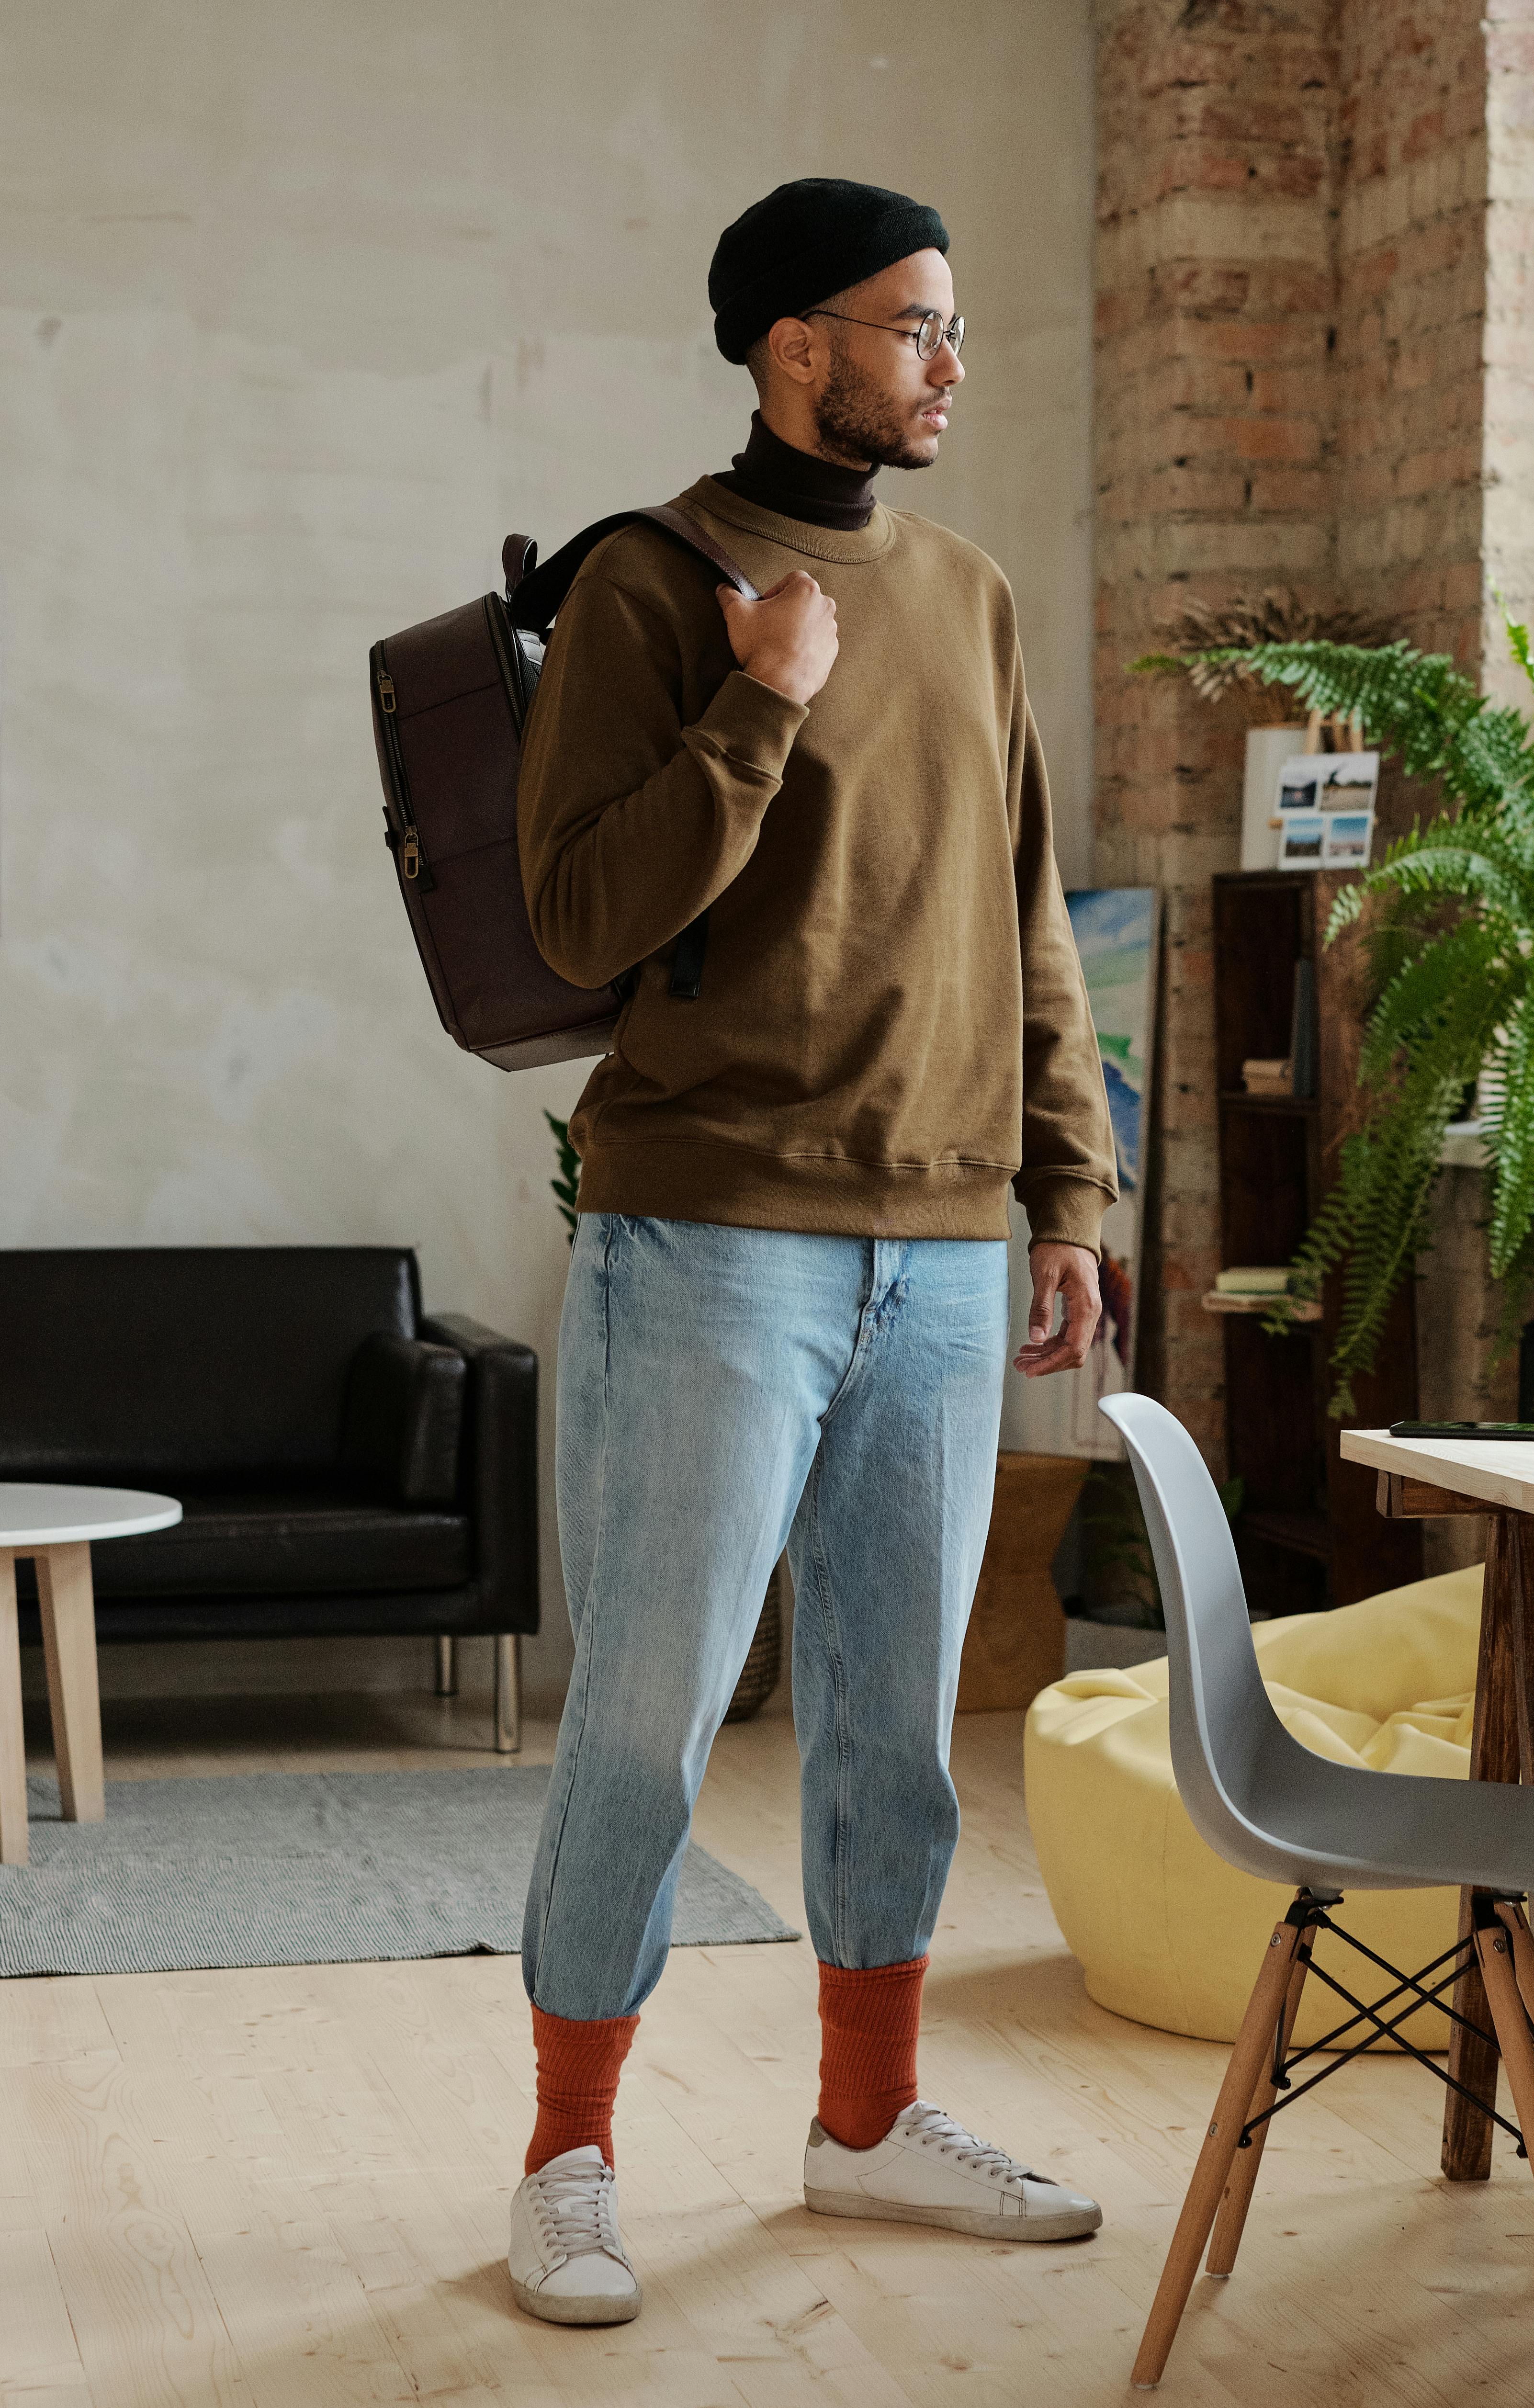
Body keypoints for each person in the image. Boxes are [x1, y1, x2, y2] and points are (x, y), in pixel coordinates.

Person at [500, 176, 1118, 2328]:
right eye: (916, 326)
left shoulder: (970, 591)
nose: (951, 361)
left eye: (955, 328)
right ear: (796, 347)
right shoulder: (653, 590)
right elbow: (583, 916)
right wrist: (758, 704)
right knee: (653, 1726)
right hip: (713, 1239)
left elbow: (1031, 909)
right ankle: (571, 2155)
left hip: (946, 1252)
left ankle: (868, 2126)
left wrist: (1074, 1188)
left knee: (891, 1729)